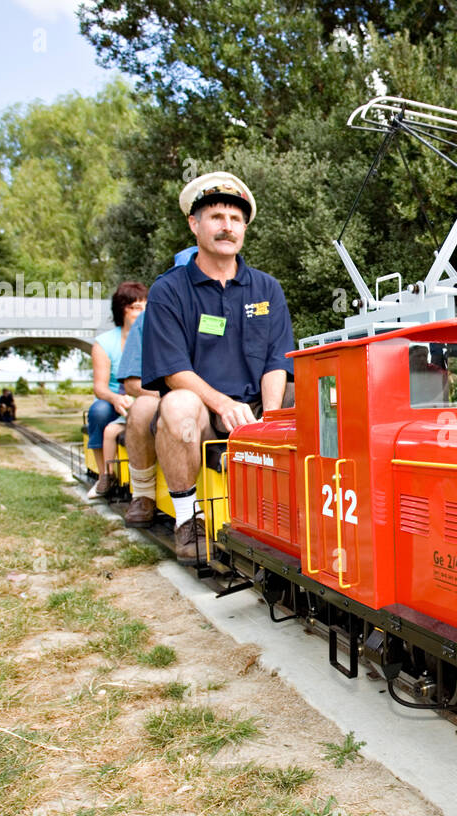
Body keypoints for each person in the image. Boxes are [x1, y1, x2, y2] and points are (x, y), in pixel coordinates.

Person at [141, 172, 294, 563]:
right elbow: (174, 369)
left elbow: (278, 361)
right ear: (194, 224)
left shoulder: (267, 288)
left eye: (235, 219)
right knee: (176, 406)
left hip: (258, 408)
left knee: (324, 394)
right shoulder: (168, 290)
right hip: (206, 414)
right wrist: (223, 405)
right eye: (217, 217)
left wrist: (269, 422)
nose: (227, 227)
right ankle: (188, 519)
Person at [114, 247, 197, 527]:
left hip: (215, 399)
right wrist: (170, 393)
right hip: (166, 398)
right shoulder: (147, 321)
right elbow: (131, 382)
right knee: (141, 409)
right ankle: (144, 495)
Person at [86, 281, 149, 498]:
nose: (142, 313)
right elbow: (100, 387)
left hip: (140, 396)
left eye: (145, 307)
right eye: (135, 307)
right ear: (122, 310)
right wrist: (115, 399)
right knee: (99, 411)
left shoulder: (151, 337)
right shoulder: (104, 343)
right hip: (115, 398)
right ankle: (105, 475)